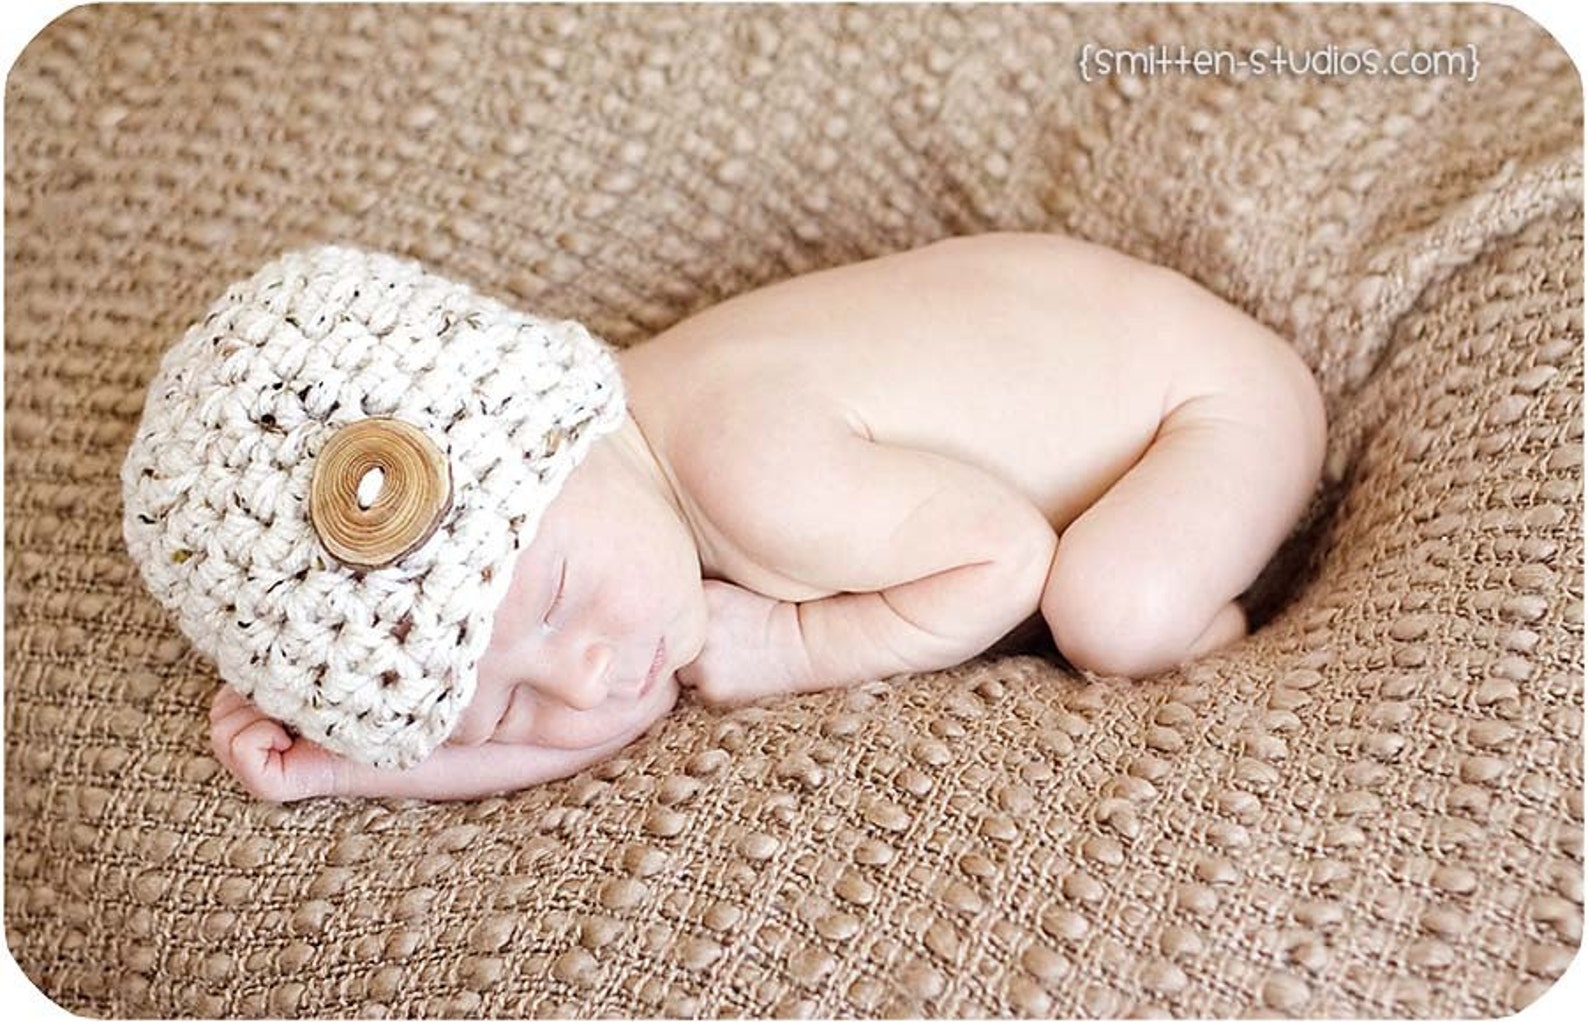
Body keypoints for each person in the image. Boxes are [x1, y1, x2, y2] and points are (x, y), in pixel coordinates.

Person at [123, 233, 1326, 803]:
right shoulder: (612, 489)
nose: (587, 676)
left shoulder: (755, 474)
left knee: (1108, 611)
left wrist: (803, 647)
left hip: (1205, 407)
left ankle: (1230, 615)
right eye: (501, 702)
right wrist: (353, 770)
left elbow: (1001, 553)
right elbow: (610, 703)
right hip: (1114, 349)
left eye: (546, 601)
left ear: (553, 420)